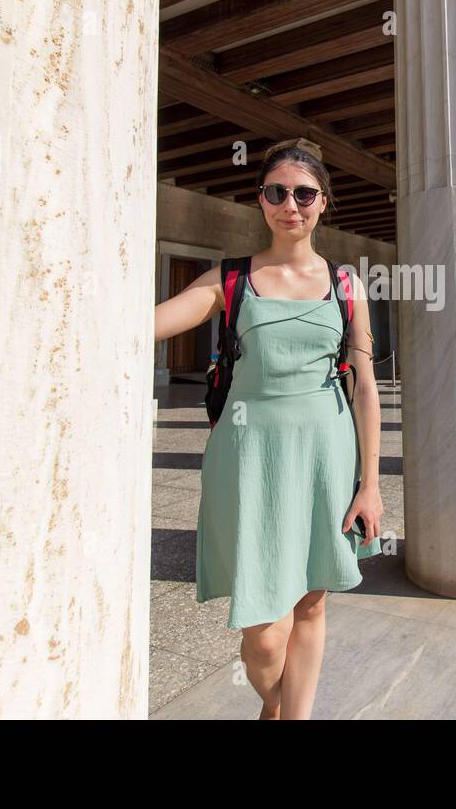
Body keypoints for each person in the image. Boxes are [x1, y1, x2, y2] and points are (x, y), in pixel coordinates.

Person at [153, 139, 383, 720]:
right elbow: (147, 324)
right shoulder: (230, 279)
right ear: (261, 200)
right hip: (248, 455)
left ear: (323, 203)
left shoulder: (346, 285)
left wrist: (371, 484)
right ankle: (275, 703)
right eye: (277, 192)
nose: (291, 204)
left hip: (326, 456)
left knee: (310, 603)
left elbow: (364, 387)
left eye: (304, 193)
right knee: (261, 633)